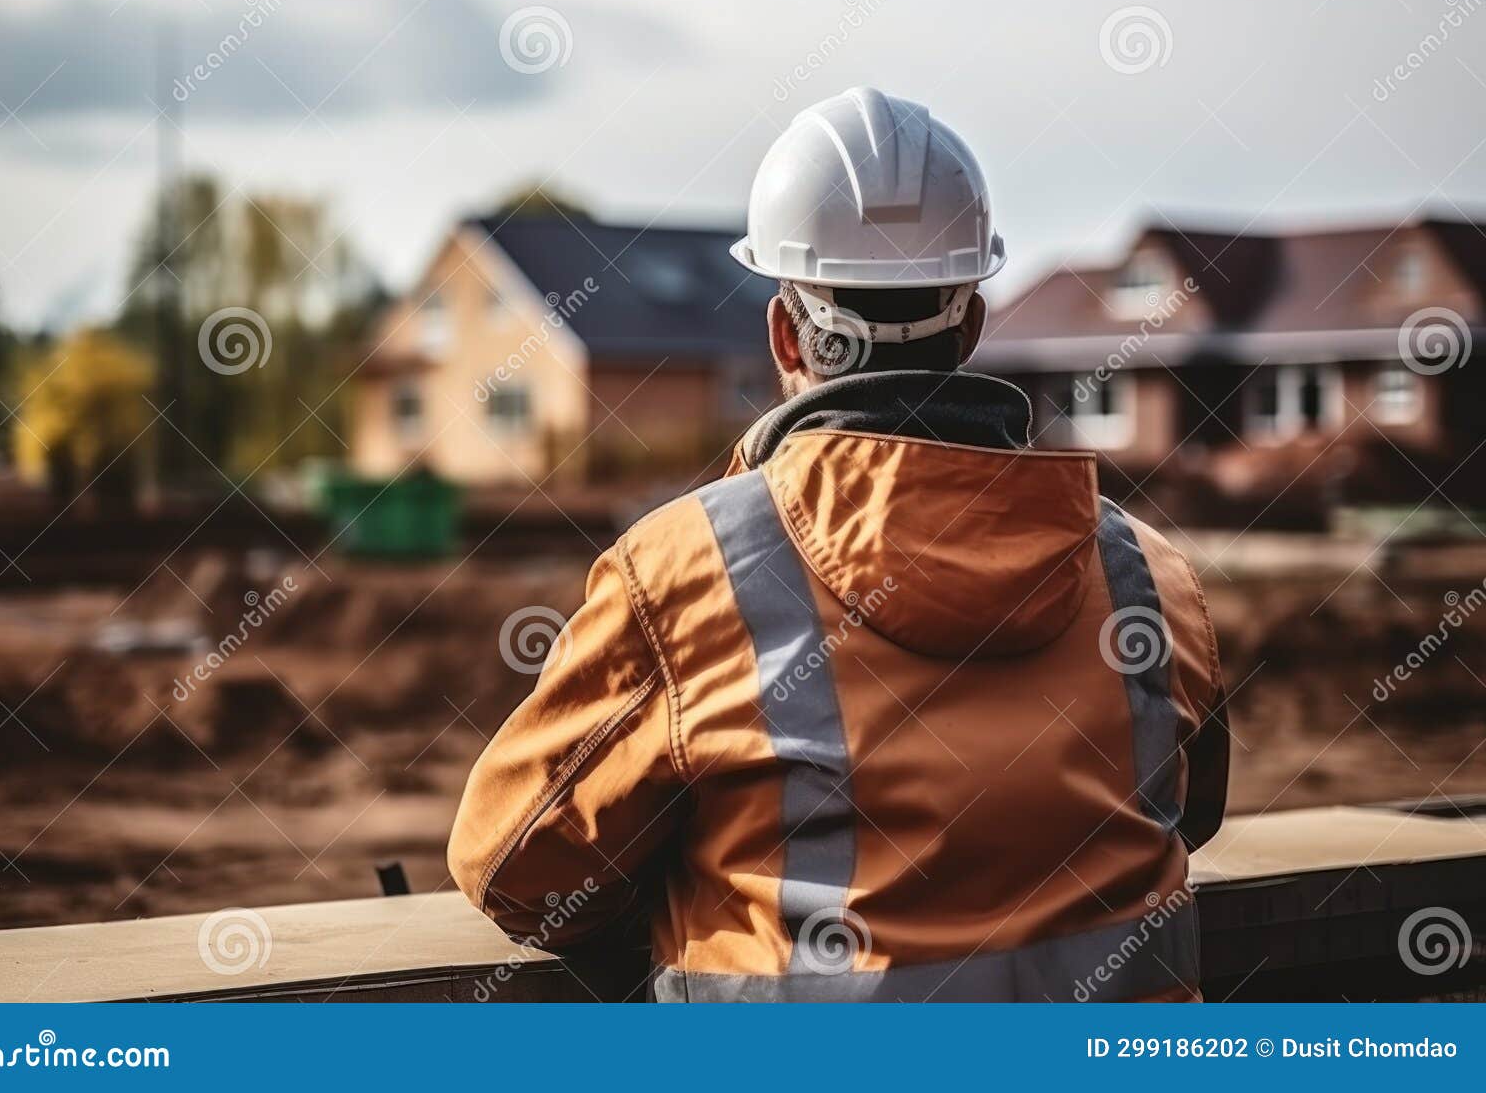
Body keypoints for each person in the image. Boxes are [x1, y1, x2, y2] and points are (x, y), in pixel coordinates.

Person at [448, 86, 1229, 1002]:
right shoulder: (1145, 572)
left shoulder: (682, 572)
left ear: (784, 331)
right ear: (972, 325)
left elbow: (515, 872)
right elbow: (1187, 812)